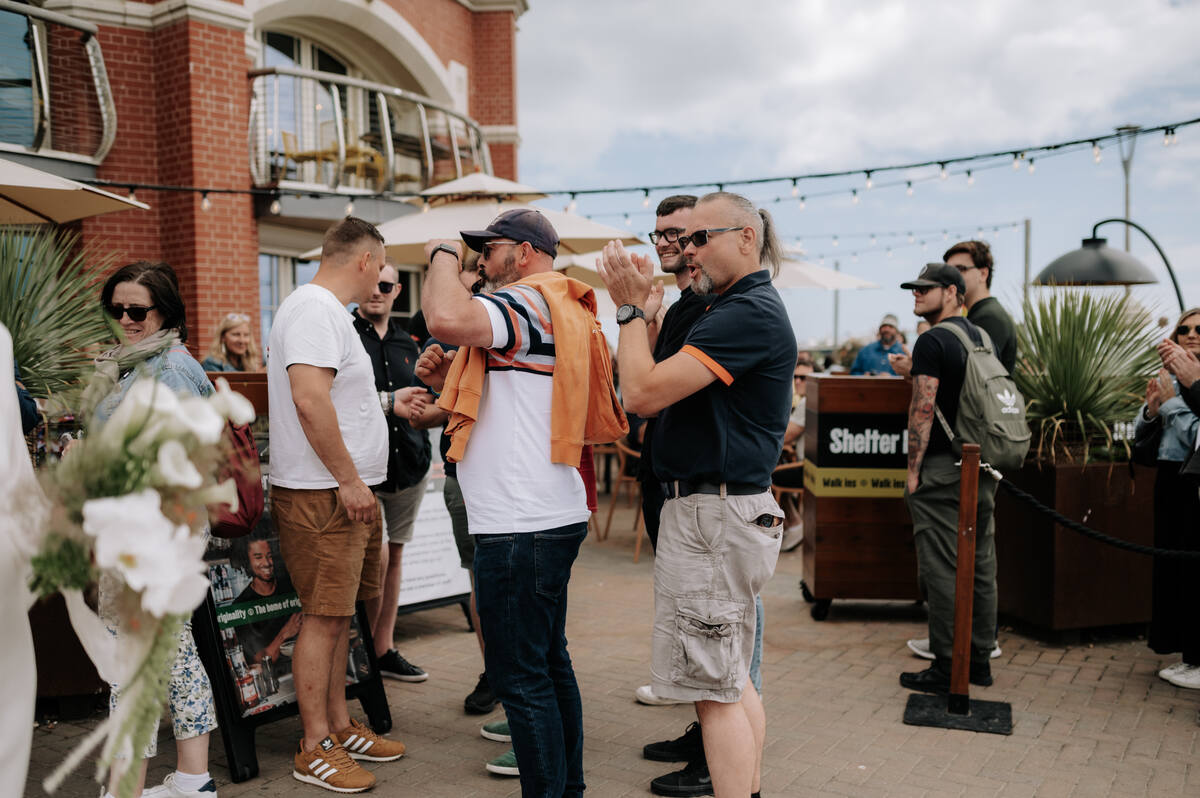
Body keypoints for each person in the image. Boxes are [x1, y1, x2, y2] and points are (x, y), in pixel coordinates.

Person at [417, 208, 625, 798]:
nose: (482, 258)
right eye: (474, 250)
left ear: (526, 252)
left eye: (491, 247)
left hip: (518, 525)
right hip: (543, 515)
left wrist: (442, 256)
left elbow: (444, 315)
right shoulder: (560, 306)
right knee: (549, 666)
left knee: (523, 678)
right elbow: (516, 398)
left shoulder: (530, 300)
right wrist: (441, 390)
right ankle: (568, 789)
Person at [599, 191, 795, 798]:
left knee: (713, 692)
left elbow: (642, 392)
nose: (688, 251)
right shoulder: (729, 305)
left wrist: (630, 312)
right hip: (717, 511)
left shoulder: (749, 311)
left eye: (699, 238)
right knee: (732, 680)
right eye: (684, 241)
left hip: (716, 515)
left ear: (746, 238)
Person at [267, 217, 407, 794]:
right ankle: (314, 744)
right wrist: (349, 480)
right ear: (367, 259)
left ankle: (340, 725)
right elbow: (308, 398)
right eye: (381, 265)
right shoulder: (315, 310)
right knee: (323, 620)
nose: (380, 276)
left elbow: (338, 396)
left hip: (340, 491)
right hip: (323, 494)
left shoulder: (325, 313)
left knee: (338, 614)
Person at [92, 261, 219, 798]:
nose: (125, 317)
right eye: (116, 308)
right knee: (175, 653)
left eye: (137, 309)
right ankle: (193, 779)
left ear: (164, 310)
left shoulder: (165, 370)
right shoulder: (144, 363)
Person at [897, 263, 998, 695]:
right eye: (914, 288)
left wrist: (913, 471)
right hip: (980, 466)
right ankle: (978, 660)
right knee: (980, 566)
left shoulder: (932, 340)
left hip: (941, 468)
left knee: (941, 567)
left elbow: (923, 408)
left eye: (927, 288)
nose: (917, 294)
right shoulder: (980, 337)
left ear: (953, 293)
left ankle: (945, 664)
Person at [354, 260, 432, 683]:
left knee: (396, 555)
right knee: (373, 563)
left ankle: (384, 648)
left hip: (410, 466)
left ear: (397, 291)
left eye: (386, 285)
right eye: (373, 283)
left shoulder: (409, 342)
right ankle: (361, 650)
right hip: (364, 473)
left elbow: (426, 398)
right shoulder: (346, 337)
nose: (378, 291)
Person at [1136, 308, 1200, 689]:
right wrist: (1151, 411)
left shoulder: (1187, 387)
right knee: (1174, 570)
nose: (1191, 334)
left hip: (1195, 485)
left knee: (1194, 570)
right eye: (1185, 329)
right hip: (1170, 482)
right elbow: (1146, 445)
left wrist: (1174, 404)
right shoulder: (1169, 380)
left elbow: (1196, 433)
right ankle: (1186, 652)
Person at [232, 530, 301, 670]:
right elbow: (259, 662)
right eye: (258, 557)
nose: (267, 563)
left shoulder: (290, 585)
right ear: (246, 561)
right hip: (279, 678)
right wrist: (285, 633)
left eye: (269, 556)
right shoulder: (241, 606)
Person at [774, 352, 814, 550]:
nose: (798, 381)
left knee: (768, 476)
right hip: (806, 464)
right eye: (795, 376)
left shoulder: (807, 402)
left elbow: (785, 437)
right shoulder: (805, 400)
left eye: (804, 377)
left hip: (805, 467)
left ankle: (794, 524)